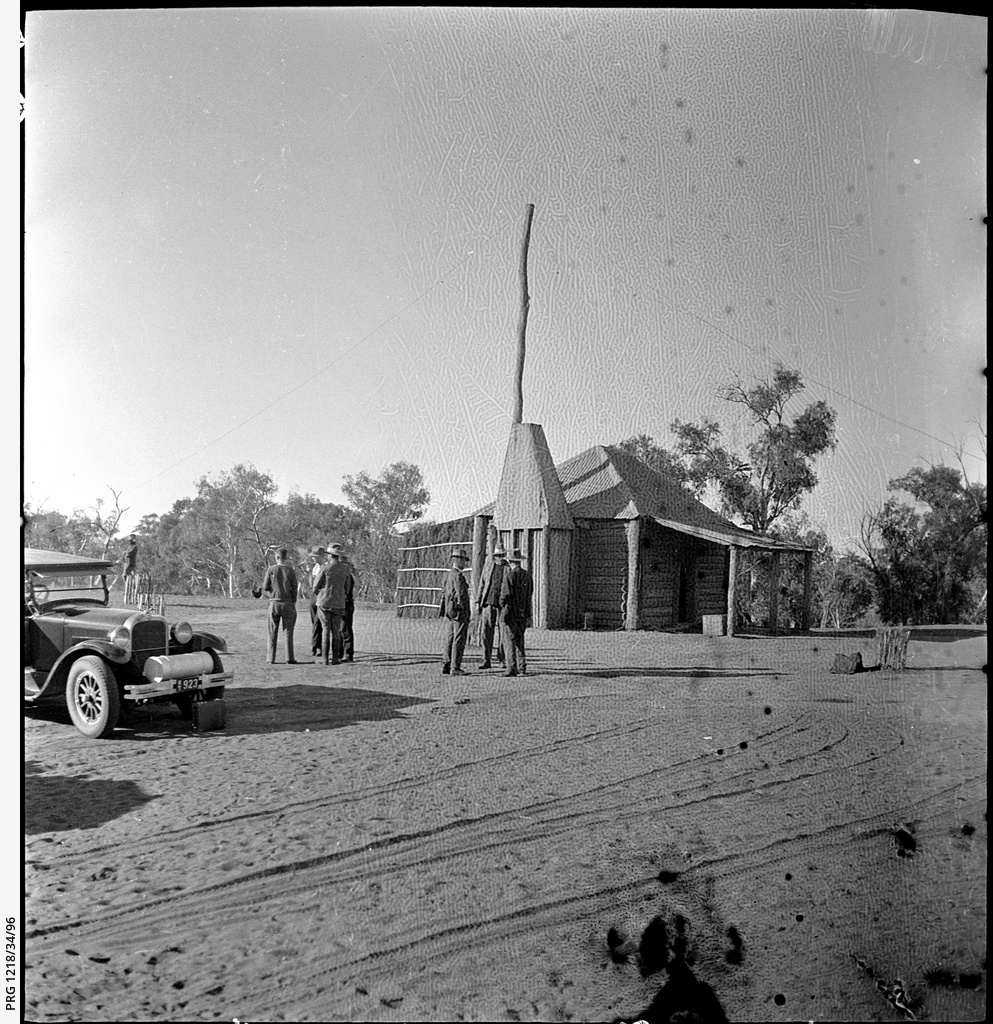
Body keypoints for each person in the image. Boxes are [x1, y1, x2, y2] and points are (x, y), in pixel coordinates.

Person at [313, 547, 353, 665]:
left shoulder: (325, 568)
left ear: (330, 556)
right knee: (336, 630)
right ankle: (335, 658)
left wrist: (320, 593)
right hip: (339, 603)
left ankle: (325, 659)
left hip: (324, 602)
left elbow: (315, 586)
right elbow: (348, 588)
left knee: (325, 628)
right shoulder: (345, 570)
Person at [261, 546, 299, 664]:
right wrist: (293, 601)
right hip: (288, 603)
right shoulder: (290, 571)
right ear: (286, 557)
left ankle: (270, 658)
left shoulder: (271, 570)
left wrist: (272, 593)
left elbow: (265, 586)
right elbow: (294, 589)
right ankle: (289, 658)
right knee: (288, 631)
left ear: (277, 557)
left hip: (274, 602)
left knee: (272, 631)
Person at [500, 549, 533, 677]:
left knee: (509, 641)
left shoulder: (509, 576)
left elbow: (505, 595)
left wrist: (503, 607)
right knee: (520, 640)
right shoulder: (527, 575)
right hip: (522, 613)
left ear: (510, 561)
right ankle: (522, 667)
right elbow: (529, 594)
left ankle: (511, 667)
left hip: (510, 613)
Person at [439, 548, 472, 676]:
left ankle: (446, 663)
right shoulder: (458, 576)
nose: (464, 564)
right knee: (459, 638)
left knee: (450, 637)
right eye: (463, 561)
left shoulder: (448, 575)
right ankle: (455, 666)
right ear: (458, 561)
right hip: (459, 612)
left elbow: (443, 592)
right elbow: (461, 595)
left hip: (449, 611)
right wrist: (464, 609)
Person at [476, 545, 508, 669]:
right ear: (494, 556)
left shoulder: (507, 567)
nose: (499, 558)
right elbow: (482, 584)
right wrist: (478, 601)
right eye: (497, 555)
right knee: (486, 632)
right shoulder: (488, 566)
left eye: (501, 555)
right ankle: (486, 659)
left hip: (503, 604)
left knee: (503, 632)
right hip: (488, 602)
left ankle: (502, 659)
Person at [329, 542, 356, 661]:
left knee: (345, 628)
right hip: (340, 602)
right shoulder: (343, 572)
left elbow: (347, 590)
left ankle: (348, 654)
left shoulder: (346, 574)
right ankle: (339, 653)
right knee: (339, 629)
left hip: (345, 602)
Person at [307, 546, 328, 657]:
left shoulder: (326, 567)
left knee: (318, 622)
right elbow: (311, 585)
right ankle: (317, 645)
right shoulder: (315, 568)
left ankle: (316, 647)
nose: (313, 559)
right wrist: (309, 572)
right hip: (314, 596)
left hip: (321, 596)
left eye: (314, 557)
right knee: (314, 622)